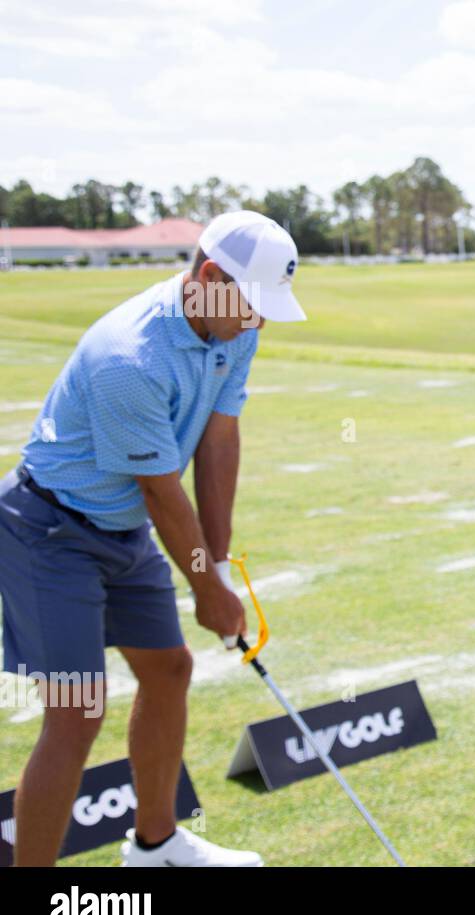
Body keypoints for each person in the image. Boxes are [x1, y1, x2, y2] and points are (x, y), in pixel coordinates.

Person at [0, 210, 307, 866]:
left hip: (121, 527)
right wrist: (205, 589)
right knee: (78, 712)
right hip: (48, 530)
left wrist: (218, 569)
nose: (256, 321)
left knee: (170, 670)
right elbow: (163, 496)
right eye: (251, 305)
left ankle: (154, 844)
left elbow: (218, 440)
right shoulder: (128, 357)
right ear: (209, 275)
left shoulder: (232, 321)